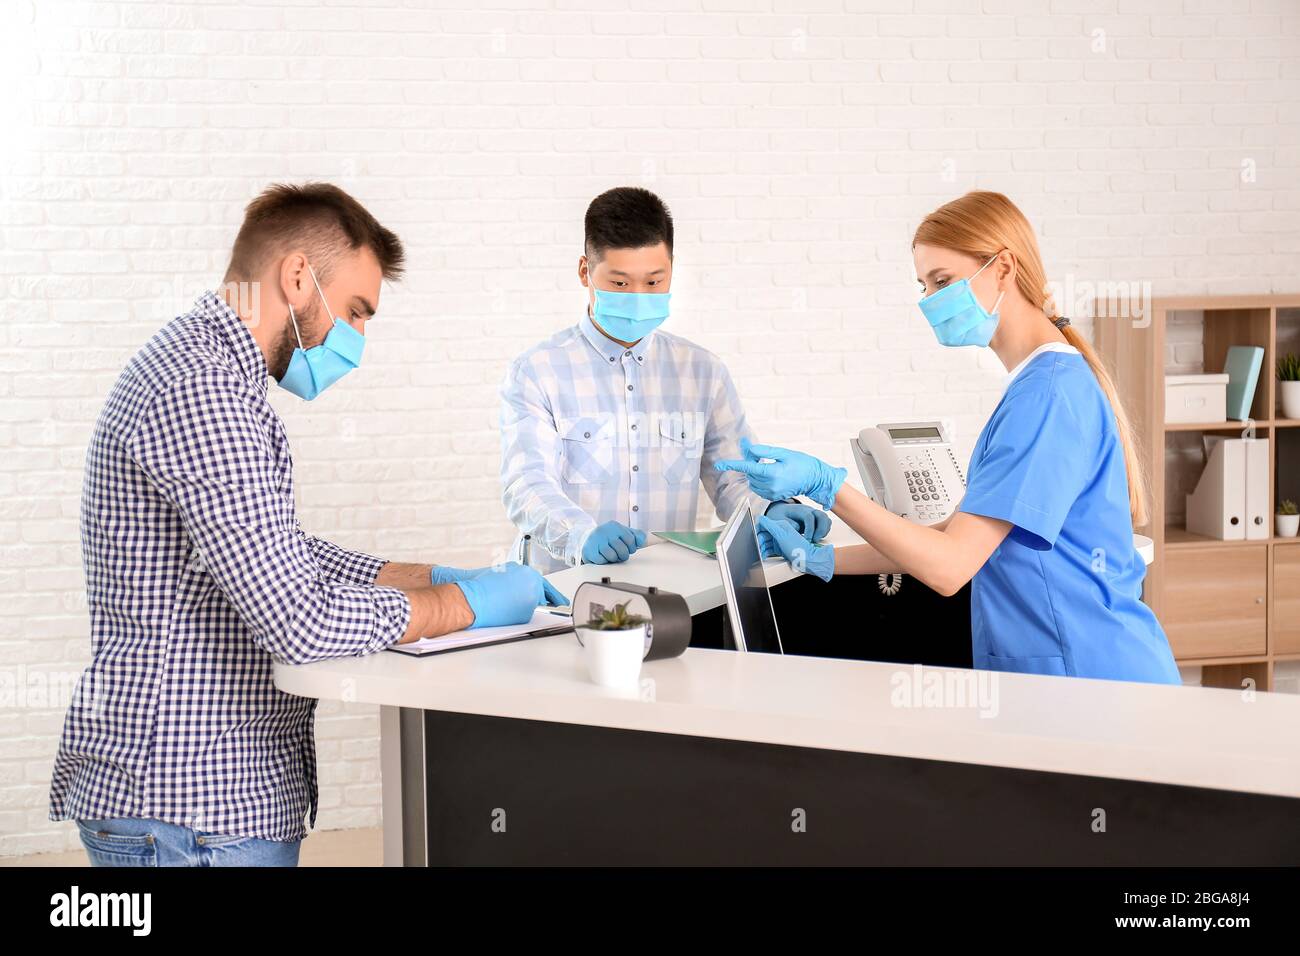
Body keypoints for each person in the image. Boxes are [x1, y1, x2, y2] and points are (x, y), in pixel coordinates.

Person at [49, 182, 562, 867]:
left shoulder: (213, 375)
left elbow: (273, 551)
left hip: (201, 804)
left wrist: (430, 577)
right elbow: (300, 623)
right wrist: (462, 606)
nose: (356, 339)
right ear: (297, 277)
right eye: (355, 311)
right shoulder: (202, 393)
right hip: (188, 811)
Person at [717, 191, 1180, 685]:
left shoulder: (1044, 397)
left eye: (943, 281)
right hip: (1069, 671)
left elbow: (950, 567)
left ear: (1003, 267)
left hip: (1088, 678)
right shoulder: (1040, 384)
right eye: (923, 286)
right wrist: (820, 560)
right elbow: (951, 535)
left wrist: (829, 488)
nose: (929, 302)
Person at [500, 186, 828, 573]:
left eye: (654, 282)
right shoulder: (539, 371)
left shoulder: (702, 372)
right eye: (620, 283)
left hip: (673, 590)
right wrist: (580, 535)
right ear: (585, 271)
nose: (638, 295)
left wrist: (773, 508)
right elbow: (526, 485)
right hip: (564, 591)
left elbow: (732, 480)